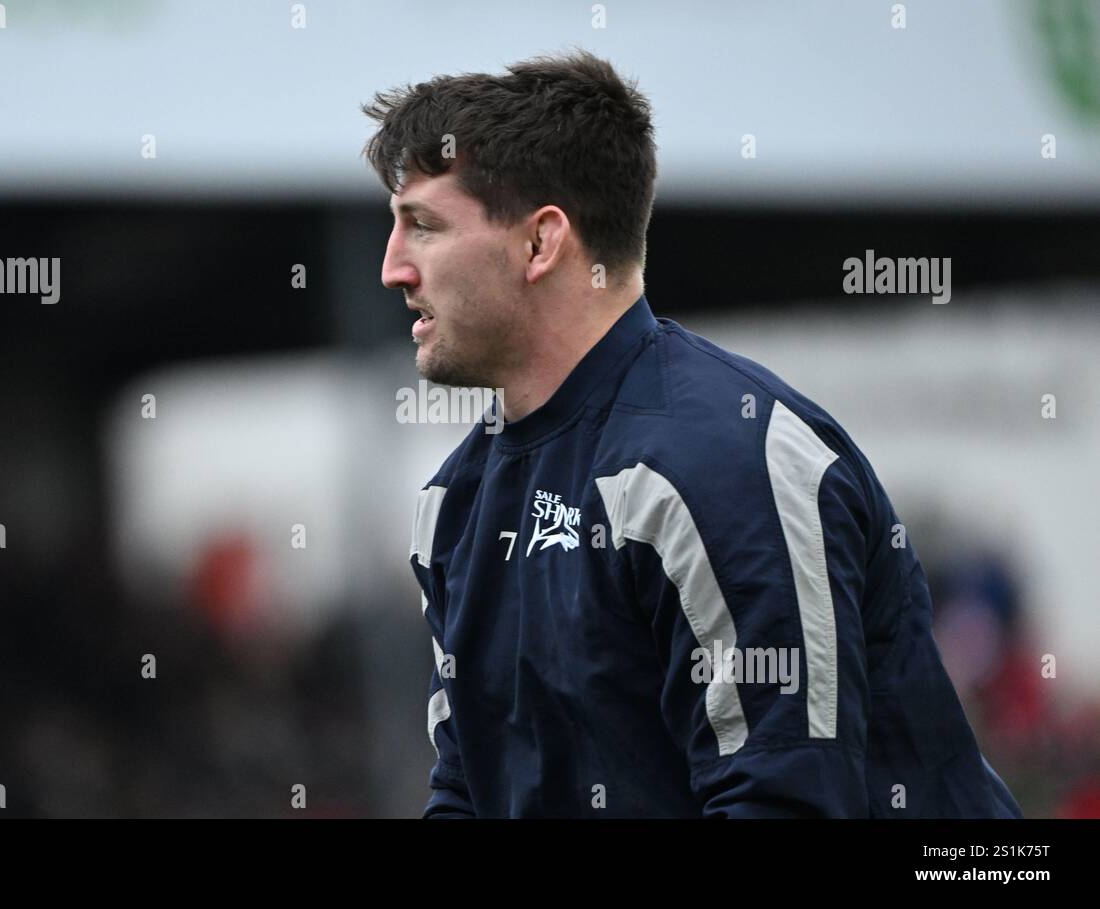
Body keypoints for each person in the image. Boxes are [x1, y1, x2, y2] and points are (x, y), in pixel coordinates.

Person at [362, 49, 1022, 818]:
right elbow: (464, 791)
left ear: (541, 244)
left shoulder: (726, 462)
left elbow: (781, 804)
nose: (392, 268)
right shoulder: (454, 504)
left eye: (423, 226)